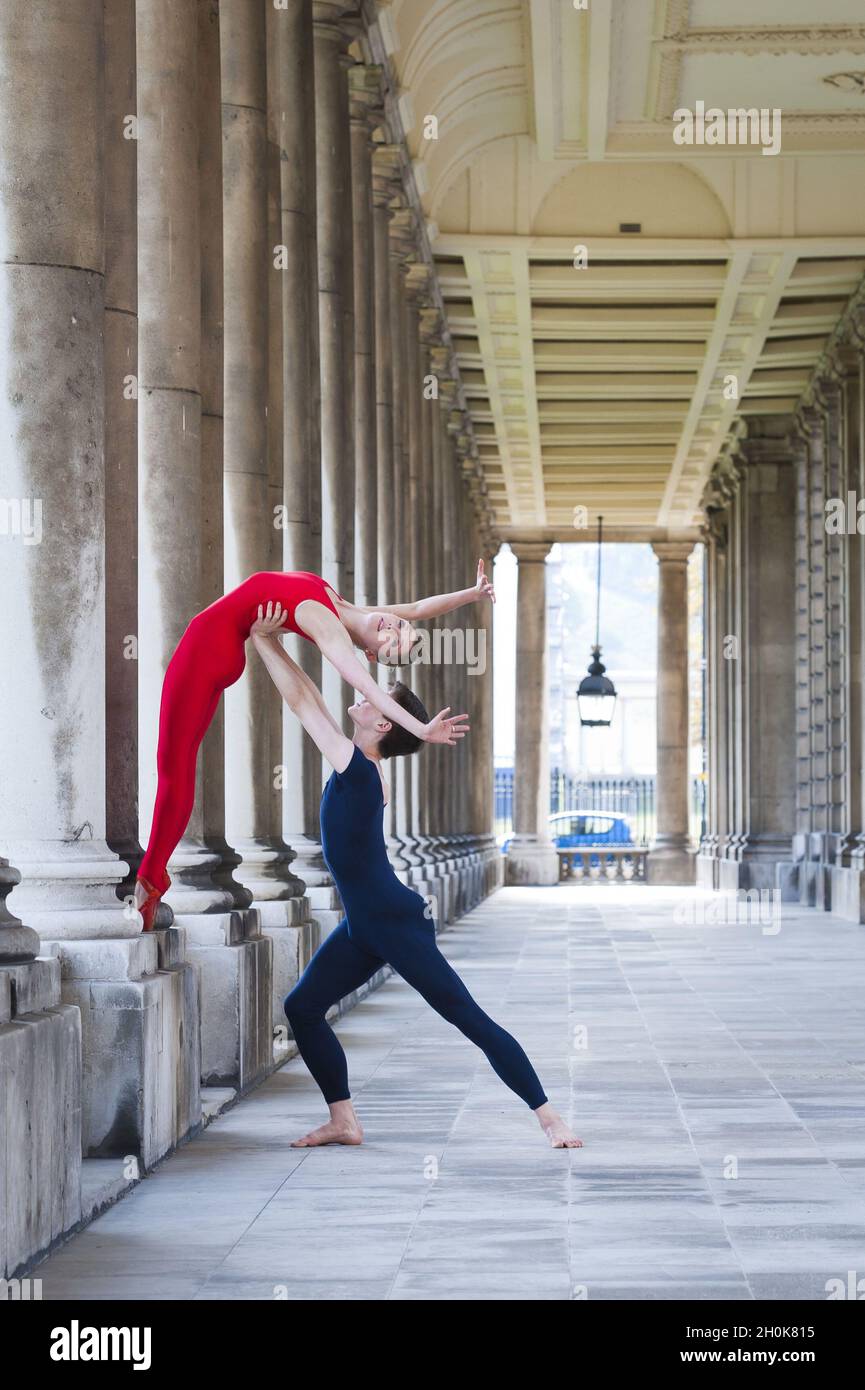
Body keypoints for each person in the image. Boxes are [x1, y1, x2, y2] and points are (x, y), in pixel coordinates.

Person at [250, 601, 583, 1151]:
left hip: (392, 921)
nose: (362, 698)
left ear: (383, 722)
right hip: (365, 923)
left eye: (374, 700)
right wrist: (267, 638)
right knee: (303, 1008)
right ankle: (344, 1119)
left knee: (465, 1016)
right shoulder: (356, 764)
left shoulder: (355, 767)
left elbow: (302, 699)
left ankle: (551, 1118)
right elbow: (307, 697)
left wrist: (265, 640)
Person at [134, 562, 495, 929]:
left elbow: (370, 690)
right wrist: (473, 593)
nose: (391, 626)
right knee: (176, 766)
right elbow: (418, 608)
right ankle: (153, 877)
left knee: (172, 768)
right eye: (398, 626)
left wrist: (422, 730)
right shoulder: (350, 609)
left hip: (208, 645)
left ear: (370, 654)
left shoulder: (332, 632)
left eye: (391, 640)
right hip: (220, 644)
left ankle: (150, 880)